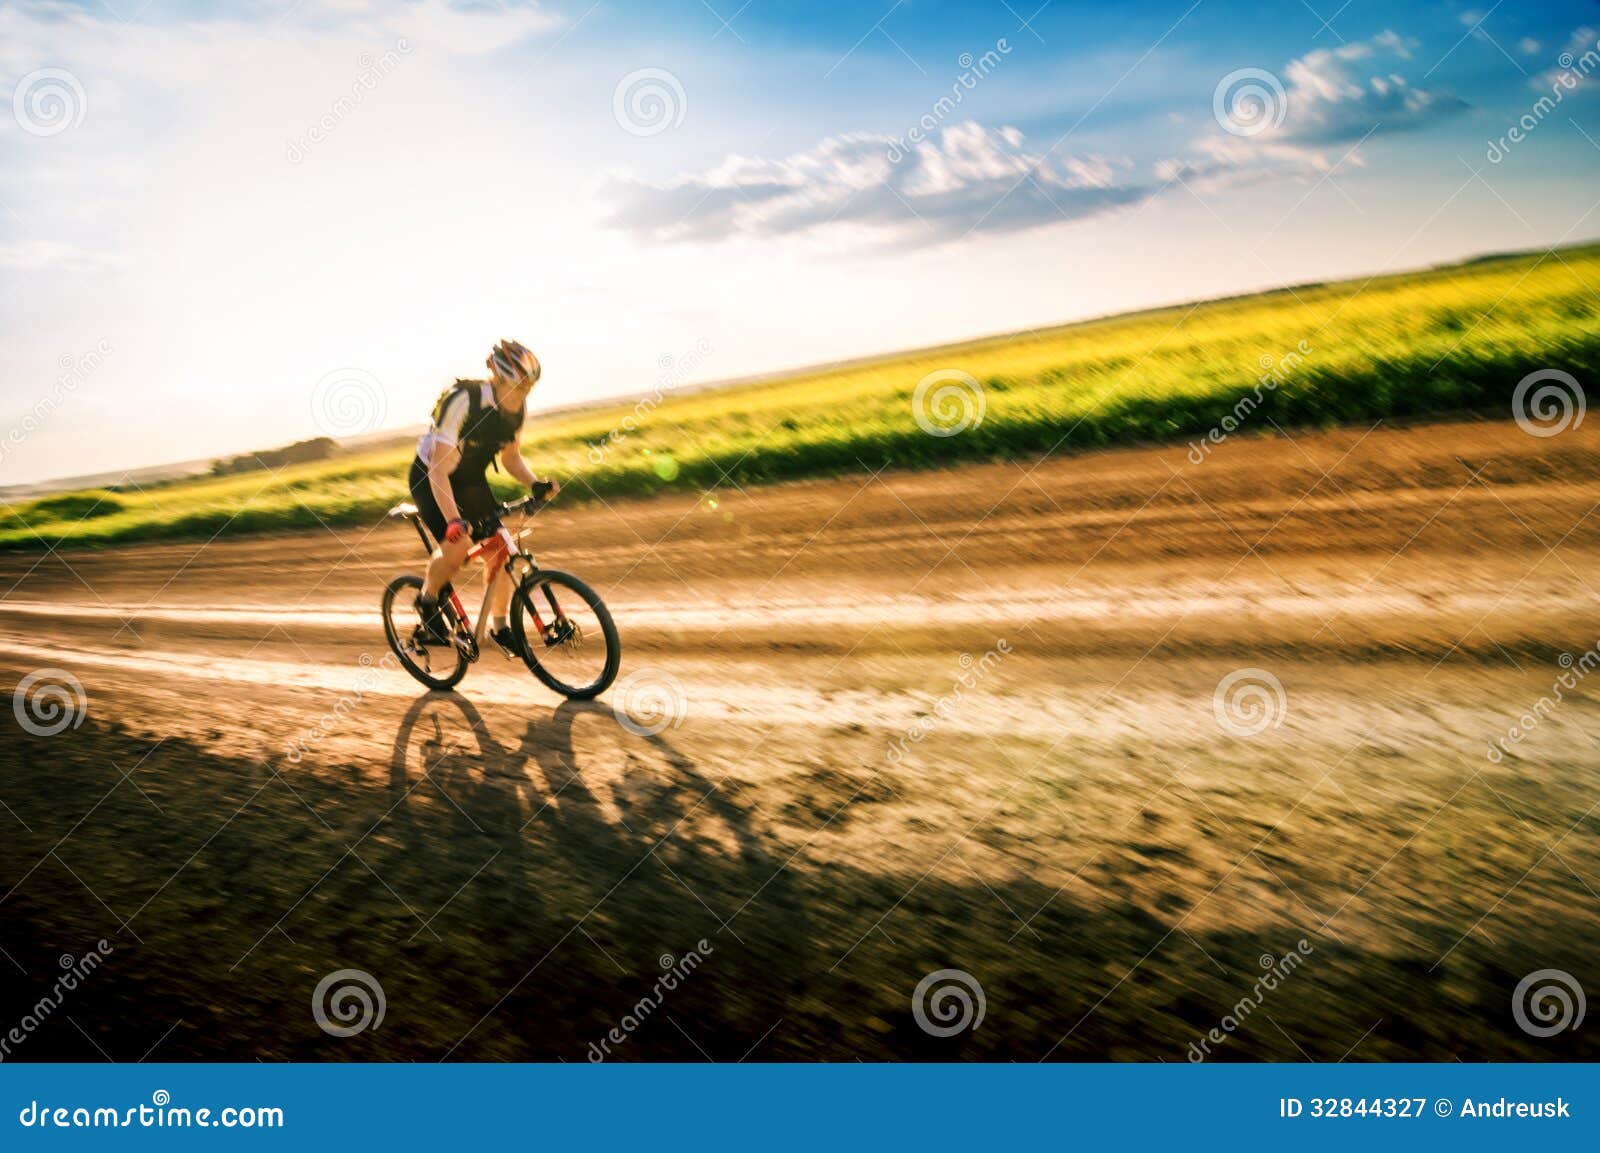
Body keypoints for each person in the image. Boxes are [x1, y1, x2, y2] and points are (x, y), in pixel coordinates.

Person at [410, 339, 559, 651]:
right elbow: (438, 470)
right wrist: (454, 521)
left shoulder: (515, 412)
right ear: (498, 378)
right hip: (431, 477)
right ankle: (427, 601)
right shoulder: (464, 401)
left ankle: (500, 628)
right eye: (519, 388)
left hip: (470, 479)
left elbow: (511, 458)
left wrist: (534, 484)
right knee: (457, 548)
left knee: (500, 546)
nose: (523, 396)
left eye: (529, 389)